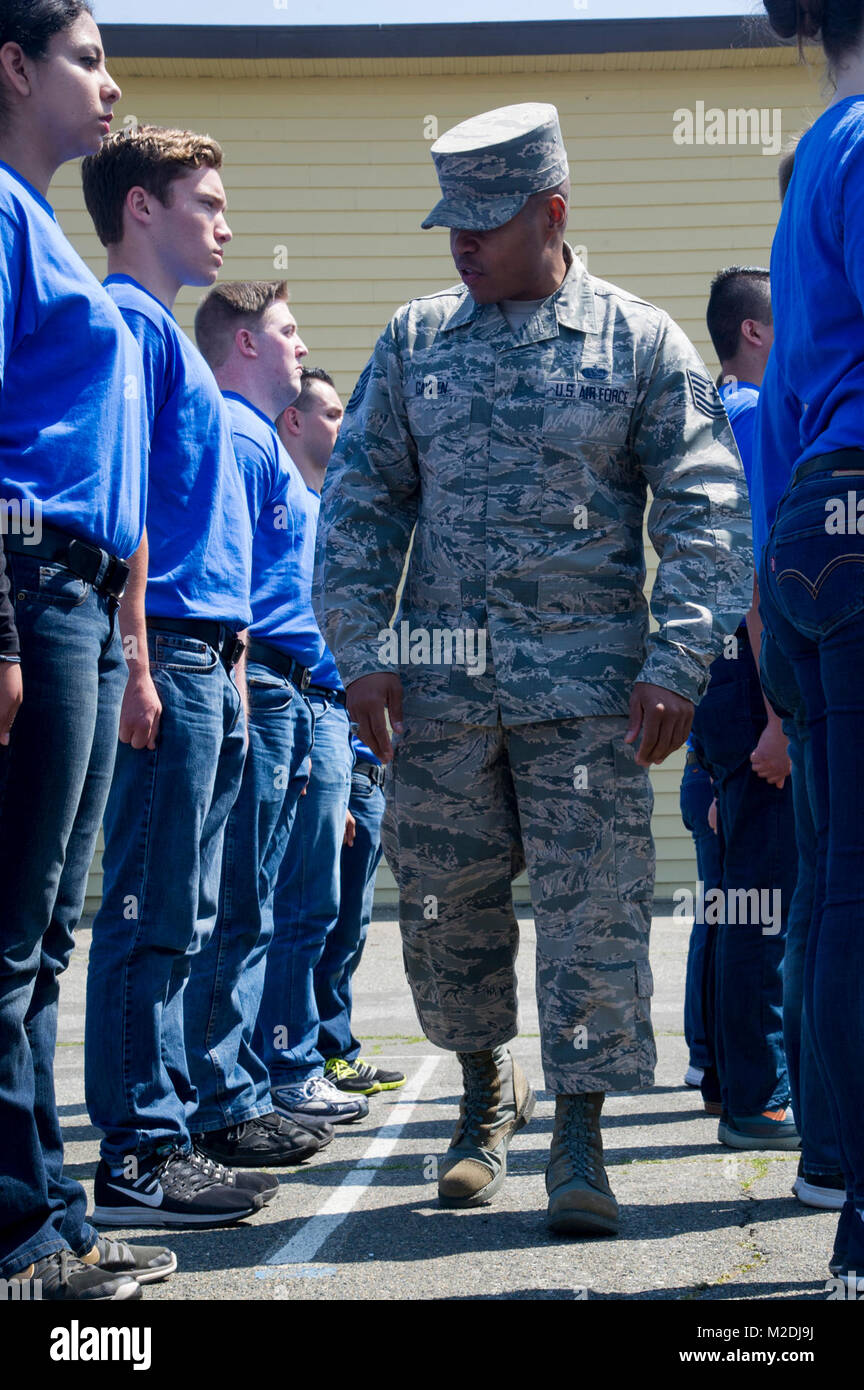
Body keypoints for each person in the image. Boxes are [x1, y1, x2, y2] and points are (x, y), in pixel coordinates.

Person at [314, 102, 753, 1235]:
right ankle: (478, 1099)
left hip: (592, 706)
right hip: (444, 707)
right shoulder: (416, 342)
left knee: (593, 919)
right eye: (449, 224)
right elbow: (360, 503)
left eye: (485, 224)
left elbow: (706, 506)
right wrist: (361, 654)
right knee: (447, 913)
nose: (460, 245)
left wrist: (680, 656)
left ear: (552, 213)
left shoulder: (641, 342)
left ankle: (581, 1137)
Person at [0, 0, 174, 1300]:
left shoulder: (41, 226)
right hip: (30, 580)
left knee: (50, 932)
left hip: (88, 595)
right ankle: (18, 1233)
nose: (108, 87)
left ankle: (48, 1214)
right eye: (86, 58)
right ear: (12, 66)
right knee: (10, 939)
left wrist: (128, 630)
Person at [80, 126, 270, 1228]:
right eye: (204, 200)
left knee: (188, 911)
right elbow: (126, 508)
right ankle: (137, 1158)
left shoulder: (165, 335)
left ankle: (167, 1130)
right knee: (150, 910)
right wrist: (143, 664)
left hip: (207, 658)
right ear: (142, 208)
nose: (225, 222)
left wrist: (227, 665)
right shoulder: (128, 321)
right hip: (170, 655)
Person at [756, 0, 864, 1291]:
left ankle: (838, 1164)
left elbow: (786, 416)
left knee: (845, 882)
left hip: (817, 534)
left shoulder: (816, 160)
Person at [184, 282, 334, 1166]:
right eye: (284, 330)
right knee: (239, 902)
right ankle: (224, 1096)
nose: (297, 343)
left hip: (283, 688)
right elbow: (228, 586)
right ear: (243, 343)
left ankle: (236, 1085)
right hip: (262, 683)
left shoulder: (257, 444)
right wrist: (240, 693)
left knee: (257, 903)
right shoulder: (241, 436)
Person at [688, 267, 799, 1149]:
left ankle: (732, 1076)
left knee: (736, 900)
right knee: (767, 900)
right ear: (755, 334)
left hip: (723, 680)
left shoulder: (720, 416)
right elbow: (758, 582)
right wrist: (777, 718)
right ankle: (755, 1098)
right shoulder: (760, 417)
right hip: (754, 678)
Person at [278, 368, 405, 1097]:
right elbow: (297, 643)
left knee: (345, 919)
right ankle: (300, 1055)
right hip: (321, 729)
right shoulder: (285, 506)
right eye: (330, 412)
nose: (344, 424)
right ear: (296, 422)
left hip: (352, 743)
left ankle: (332, 1041)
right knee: (309, 916)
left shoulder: (330, 512)